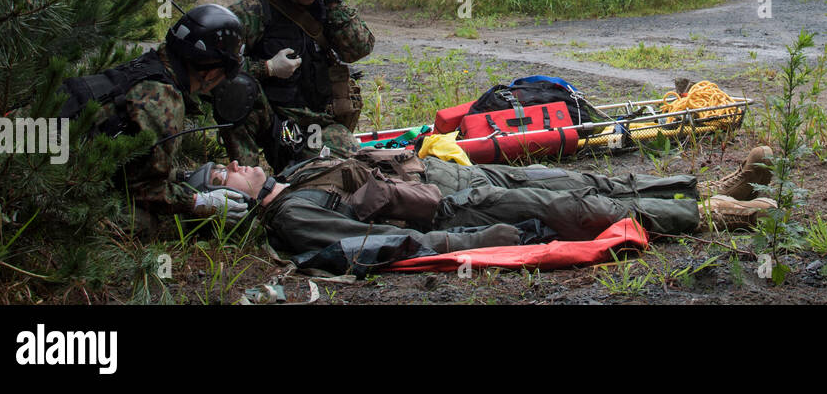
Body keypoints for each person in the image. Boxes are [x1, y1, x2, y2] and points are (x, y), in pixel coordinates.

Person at [186, 147, 776, 272]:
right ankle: (714, 215)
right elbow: (379, 243)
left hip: (442, 174)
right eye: (223, 173)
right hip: (450, 209)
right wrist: (482, 238)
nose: (234, 163)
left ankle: (699, 187)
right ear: (226, 200)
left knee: (566, 175)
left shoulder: (292, 178)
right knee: (571, 207)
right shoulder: (294, 216)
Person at [59, 4, 255, 228]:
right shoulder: (164, 101)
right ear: (211, 73)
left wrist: (179, 176)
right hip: (50, 173)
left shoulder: (148, 67)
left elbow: (135, 160)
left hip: (46, 145)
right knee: (145, 221)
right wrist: (197, 201)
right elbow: (142, 187)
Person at [223, 0, 374, 170]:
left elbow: (358, 49)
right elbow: (213, 66)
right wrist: (267, 68)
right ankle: (246, 181)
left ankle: (300, 166)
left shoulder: (327, 7)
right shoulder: (255, 12)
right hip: (274, 122)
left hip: (316, 123)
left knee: (354, 171)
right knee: (236, 89)